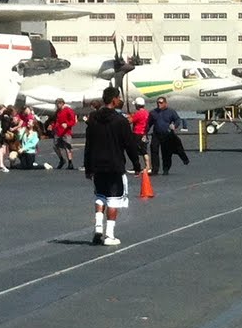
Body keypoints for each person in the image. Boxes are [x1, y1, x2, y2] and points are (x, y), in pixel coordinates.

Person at [83, 86, 145, 246]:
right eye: (118, 98)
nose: (120, 100)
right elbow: (129, 145)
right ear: (114, 100)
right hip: (115, 165)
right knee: (114, 199)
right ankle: (109, 234)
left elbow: (88, 145)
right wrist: (137, 164)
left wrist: (88, 167)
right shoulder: (121, 121)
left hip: (97, 165)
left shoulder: (93, 119)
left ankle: (98, 226)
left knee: (100, 196)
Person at [147, 96, 191, 175]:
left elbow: (177, 119)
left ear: (165, 103)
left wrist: (175, 125)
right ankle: (155, 170)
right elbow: (149, 124)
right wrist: (144, 134)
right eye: (158, 103)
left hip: (167, 135)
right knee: (154, 150)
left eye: (161, 103)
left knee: (166, 152)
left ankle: (166, 169)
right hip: (156, 134)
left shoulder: (171, 111)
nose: (159, 104)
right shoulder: (153, 112)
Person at [51, 100, 78, 169]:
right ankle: (62, 159)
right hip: (58, 131)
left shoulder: (68, 110)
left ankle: (70, 162)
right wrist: (53, 126)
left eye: (58, 104)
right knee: (55, 146)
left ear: (62, 104)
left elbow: (73, 120)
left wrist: (67, 124)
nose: (57, 105)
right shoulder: (57, 112)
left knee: (67, 146)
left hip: (66, 132)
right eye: (56, 104)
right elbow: (55, 120)